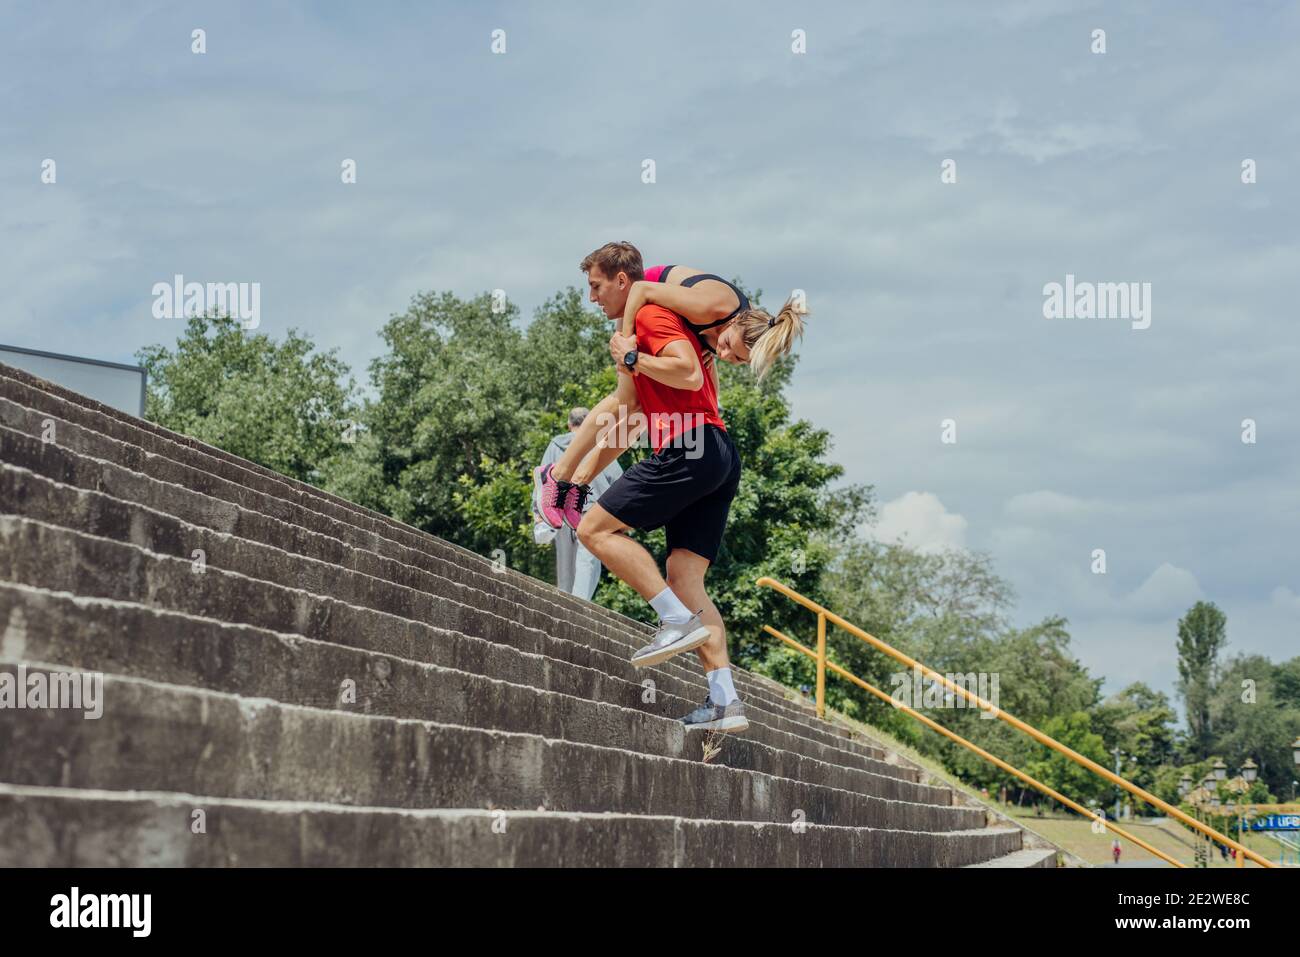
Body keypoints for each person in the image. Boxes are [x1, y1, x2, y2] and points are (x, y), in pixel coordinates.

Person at [572, 256, 794, 736]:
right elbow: (627, 414)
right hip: (718, 454)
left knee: (594, 529)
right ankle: (725, 700)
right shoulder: (702, 317)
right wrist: (577, 474)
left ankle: (673, 619)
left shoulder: (668, 323)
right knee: (686, 578)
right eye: (730, 349)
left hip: (693, 446)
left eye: (732, 355)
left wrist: (628, 352)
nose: (724, 354)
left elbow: (649, 312)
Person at [535, 241, 804, 529]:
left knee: (639, 416)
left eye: (737, 359)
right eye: (726, 345)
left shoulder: (743, 329)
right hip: (642, 295)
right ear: (735, 323)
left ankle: (578, 483)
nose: (724, 355)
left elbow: (705, 389)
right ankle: (557, 473)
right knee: (626, 401)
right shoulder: (711, 307)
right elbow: (640, 290)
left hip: (660, 307)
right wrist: (627, 348)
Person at [532, 407, 623, 599]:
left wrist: (538, 514)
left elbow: (544, 479)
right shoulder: (599, 444)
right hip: (592, 512)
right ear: (589, 422)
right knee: (587, 564)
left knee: (565, 567)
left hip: (560, 512)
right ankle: (580, 605)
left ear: (569, 424)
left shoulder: (556, 445)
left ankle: (563, 605)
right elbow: (617, 480)